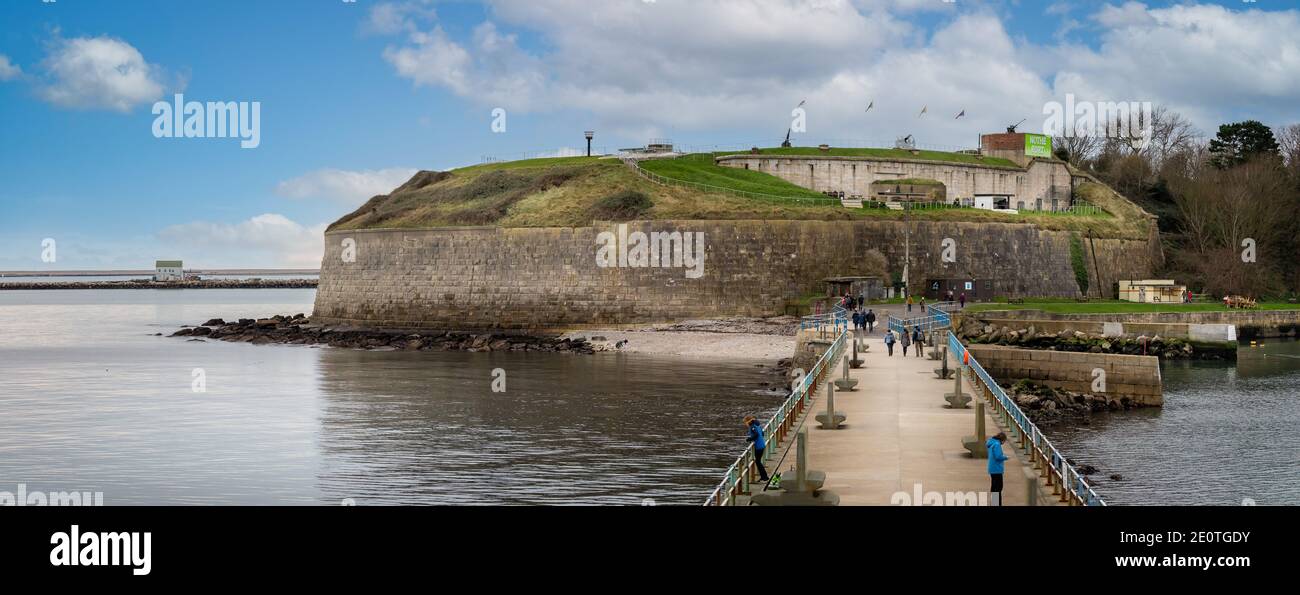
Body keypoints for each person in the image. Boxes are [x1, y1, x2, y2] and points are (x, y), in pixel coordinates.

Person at [744, 416, 770, 482]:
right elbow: (762, 433)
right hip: (762, 444)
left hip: (758, 446)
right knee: (758, 461)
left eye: (745, 423)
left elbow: (756, 435)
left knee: (758, 462)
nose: (745, 424)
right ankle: (763, 476)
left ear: (748, 421)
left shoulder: (752, 426)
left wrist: (748, 439)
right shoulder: (757, 425)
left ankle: (765, 477)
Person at [987, 432, 1009, 506]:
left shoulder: (991, 443)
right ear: (1002, 439)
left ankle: (994, 503)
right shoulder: (997, 445)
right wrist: (1005, 457)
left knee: (994, 486)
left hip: (992, 468)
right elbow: (998, 456)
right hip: (997, 469)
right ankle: (996, 503)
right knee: (998, 487)